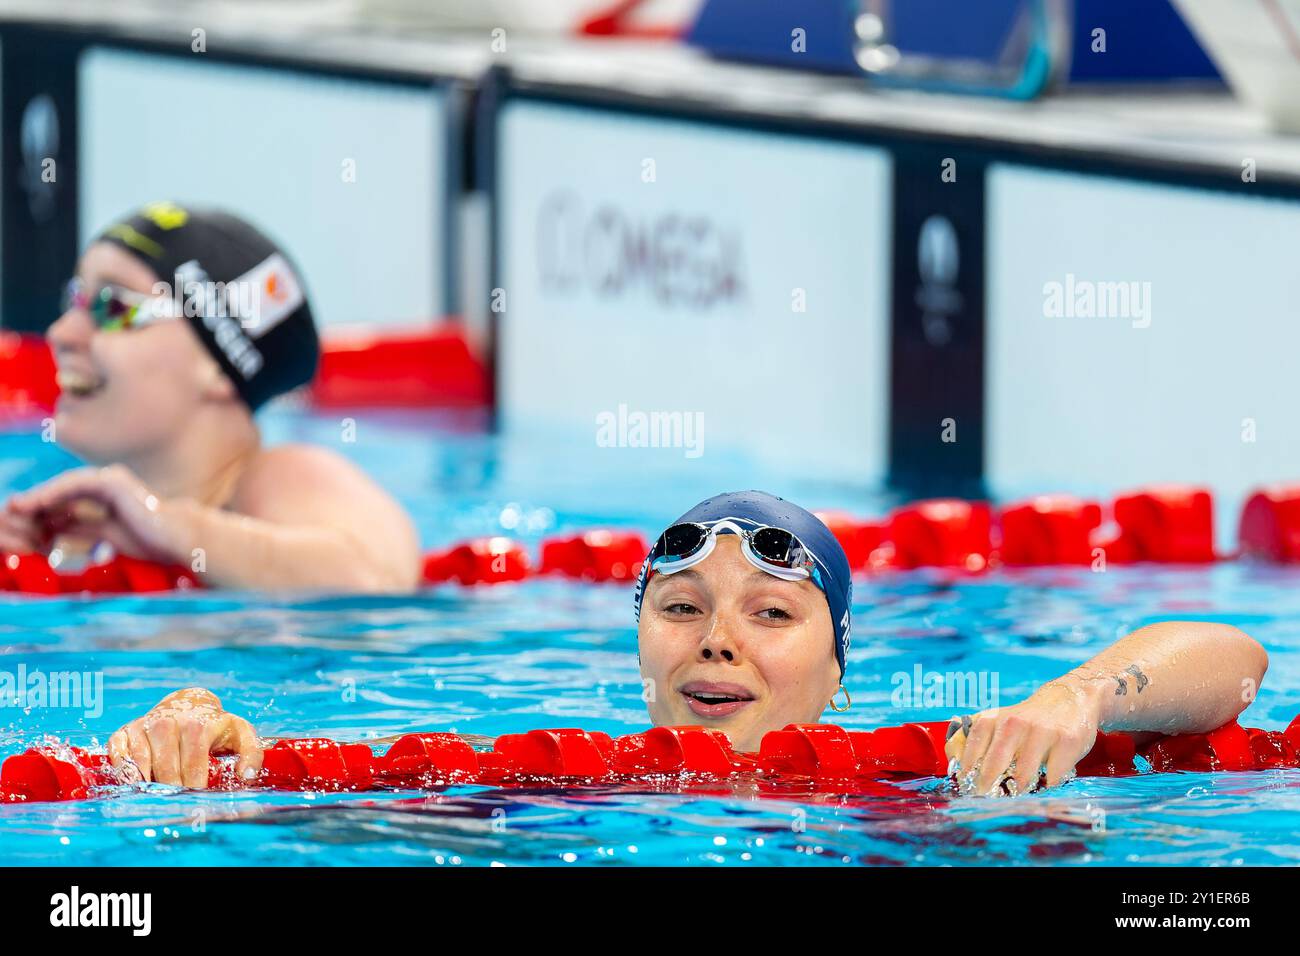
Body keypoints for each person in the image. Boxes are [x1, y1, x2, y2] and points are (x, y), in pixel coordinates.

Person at [105, 490, 1269, 796]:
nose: (718, 643)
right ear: (639, 644)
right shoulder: (544, 785)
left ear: (838, 661)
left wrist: (1083, 693)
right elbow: (316, 791)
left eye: (770, 613)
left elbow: (1235, 658)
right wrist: (203, 740)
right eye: (679, 609)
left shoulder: (954, 766)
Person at [0, 201, 420, 592]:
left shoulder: (274, 478)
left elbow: (379, 583)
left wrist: (169, 525)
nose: (60, 333)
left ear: (219, 366)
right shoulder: (81, 532)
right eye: (75, 298)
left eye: (113, 307)